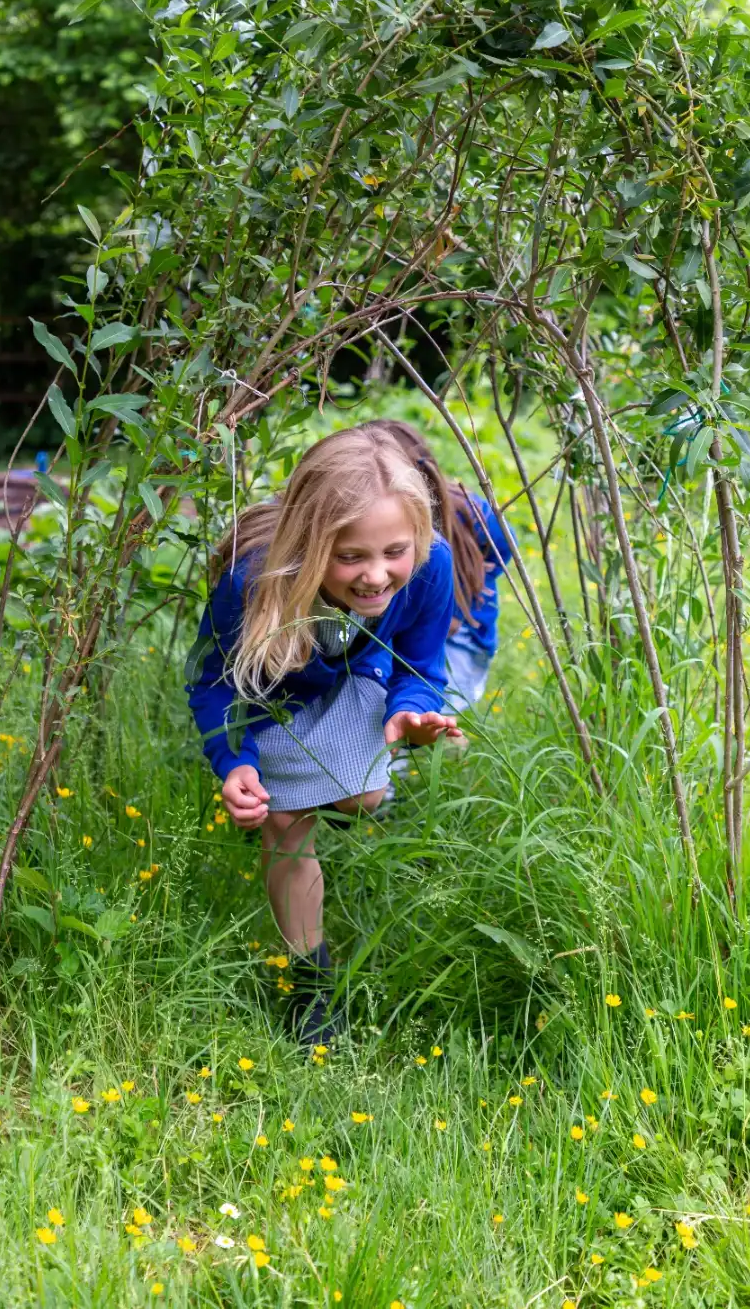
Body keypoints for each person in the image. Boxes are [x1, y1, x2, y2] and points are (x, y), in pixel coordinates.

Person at [186, 424, 462, 1045]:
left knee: (359, 797)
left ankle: (349, 795)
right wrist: (235, 763)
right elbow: (214, 685)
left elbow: (423, 660)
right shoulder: (251, 582)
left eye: (394, 551)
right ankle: (314, 984)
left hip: (355, 674)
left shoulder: (431, 564)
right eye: (350, 556)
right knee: (285, 828)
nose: (375, 576)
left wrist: (412, 711)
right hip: (271, 694)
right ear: (309, 545)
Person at [372, 419, 513, 714]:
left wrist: (471, 585)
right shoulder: (373, 521)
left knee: (425, 694)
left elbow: (505, 542)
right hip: (400, 637)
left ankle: (438, 723)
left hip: (463, 643)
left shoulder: (467, 510)